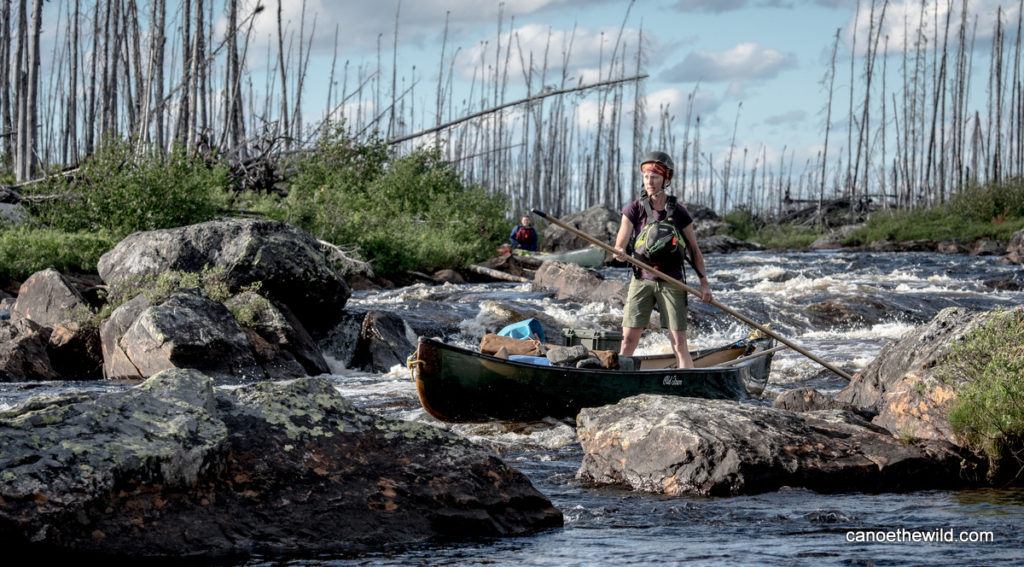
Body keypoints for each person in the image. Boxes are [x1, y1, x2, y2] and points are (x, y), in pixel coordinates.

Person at [612, 151, 712, 369]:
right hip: (642, 280)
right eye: (646, 177)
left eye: (655, 177)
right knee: (628, 340)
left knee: (678, 342)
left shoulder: (680, 212)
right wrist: (619, 251)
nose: (650, 181)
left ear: (666, 179)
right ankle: (618, 380)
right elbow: (620, 243)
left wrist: (704, 283)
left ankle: (687, 382)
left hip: (672, 280)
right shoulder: (634, 209)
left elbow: (694, 250)